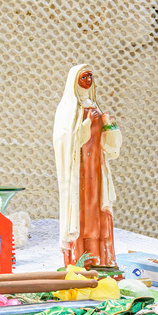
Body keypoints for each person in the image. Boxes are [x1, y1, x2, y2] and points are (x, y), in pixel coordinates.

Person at [54, 64, 122, 267]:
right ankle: (79, 260)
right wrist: (84, 124)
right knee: (81, 213)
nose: (88, 80)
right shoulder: (68, 108)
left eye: (91, 76)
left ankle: (100, 260)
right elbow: (64, 138)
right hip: (79, 170)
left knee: (97, 213)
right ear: (74, 81)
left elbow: (108, 143)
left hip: (96, 168)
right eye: (84, 77)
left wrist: (109, 125)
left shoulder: (95, 106)